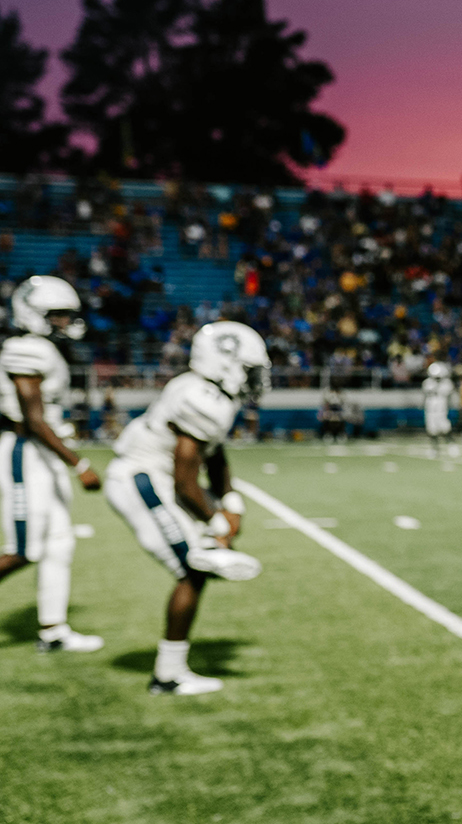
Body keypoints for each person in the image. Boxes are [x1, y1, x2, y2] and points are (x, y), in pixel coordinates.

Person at [105, 322, 270, 695]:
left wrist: (229, 501)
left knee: (197, 566)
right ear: (225, 363)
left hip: (155, 478)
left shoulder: (206, 392)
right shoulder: (201, 398)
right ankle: (168, 675)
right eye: (248, 368)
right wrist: (216, 522)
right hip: (142, 479)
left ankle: (171, 671)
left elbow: (213, 454)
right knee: (191, 566)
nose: (254, 378)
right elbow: (184, 479)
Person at [0, 276, 105, 653]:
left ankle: (53, 630)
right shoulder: (24, 349)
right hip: (26, 452)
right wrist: (78, 464)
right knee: (24, 549)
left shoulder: (42, 348)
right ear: (34, 314)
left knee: (60, 545)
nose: (65, 321)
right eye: (57, 314)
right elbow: (33, 419)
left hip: (43, 453)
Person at [421, 361, 456, 458]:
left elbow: (447, 393)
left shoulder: (447, 383)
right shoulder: (427, 383)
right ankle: (434, 449)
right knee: (431, 430)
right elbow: (427, 393)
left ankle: (451, 445)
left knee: (445, 428)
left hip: (441, 410)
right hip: (430, 410)